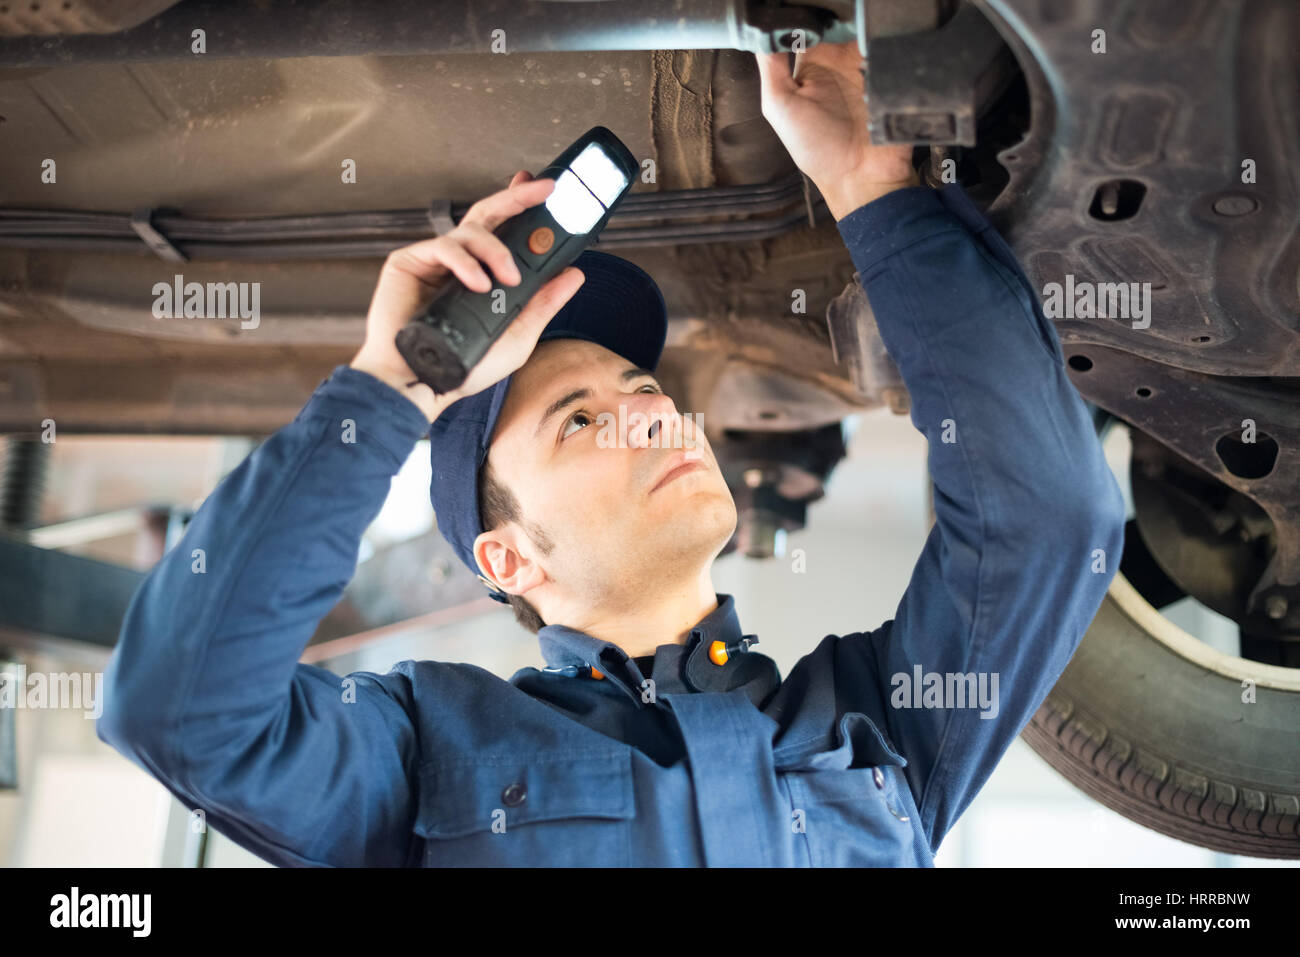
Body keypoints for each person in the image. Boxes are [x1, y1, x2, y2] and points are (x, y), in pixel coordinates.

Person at [97, 43, 1126, 866]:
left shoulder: (889, 725)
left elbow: (1048, 518)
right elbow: (180, 715)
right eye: (579, 421)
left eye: (641, 389)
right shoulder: (418, 751)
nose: (651, 414)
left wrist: (870, 188)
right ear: (508, 559)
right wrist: (389, 388)